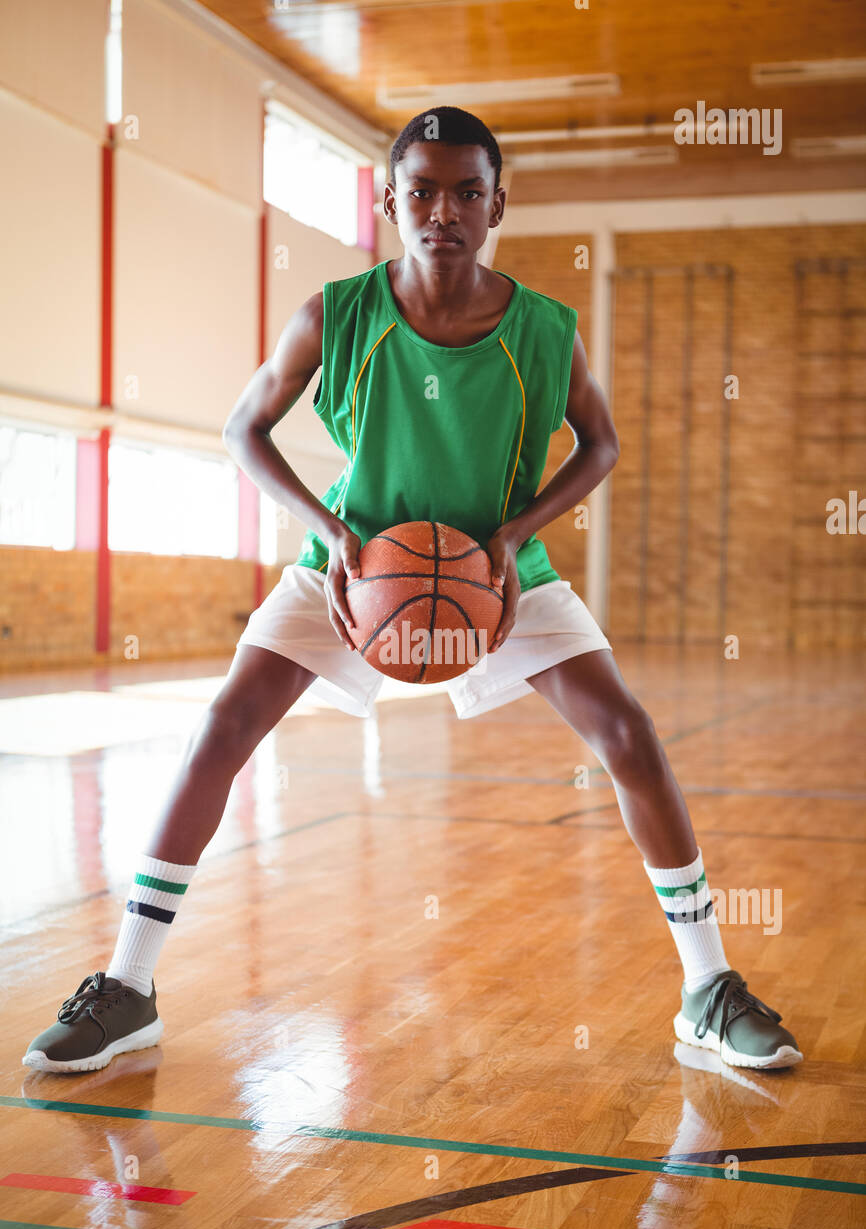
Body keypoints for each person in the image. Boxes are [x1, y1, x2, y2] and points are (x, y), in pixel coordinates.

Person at [24, 107, 801, 1074]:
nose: (443, 210)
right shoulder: (334, 314)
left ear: (497, 205)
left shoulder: (545, 330)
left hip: (496, 569)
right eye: (422, 191)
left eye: (467, 192)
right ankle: (129, 988)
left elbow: (601, 442)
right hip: (360, 559)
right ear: (390, 200)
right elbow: (243, 431)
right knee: (221, 730)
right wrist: (334, 534)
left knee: (628, 734)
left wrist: (517, 533)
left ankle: (707, 989)